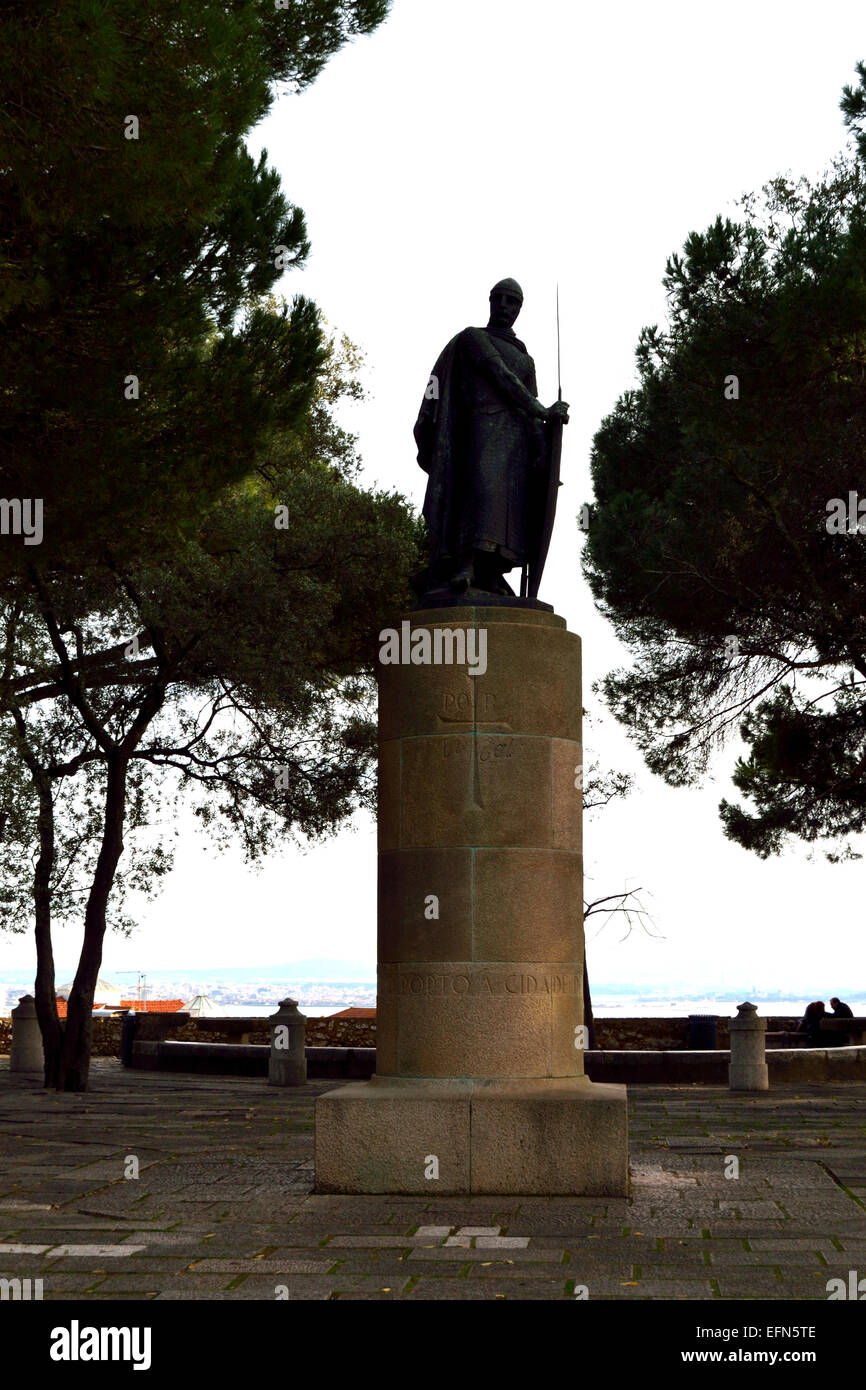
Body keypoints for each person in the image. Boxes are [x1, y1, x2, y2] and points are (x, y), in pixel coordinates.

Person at [413, 278, 569, 599]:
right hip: (480, 430)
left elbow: (528, 412)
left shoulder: (526, 359)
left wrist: (545, 452)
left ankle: (492, 573)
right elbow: (502, 377)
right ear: (490, 301)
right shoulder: (474, 339)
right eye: (499, 299)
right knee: (480, 491)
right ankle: (465, 565)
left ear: (519, 309)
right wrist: (544, 409)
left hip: (516, 446)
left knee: (510, 508)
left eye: (512, 302)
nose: (504, 307)